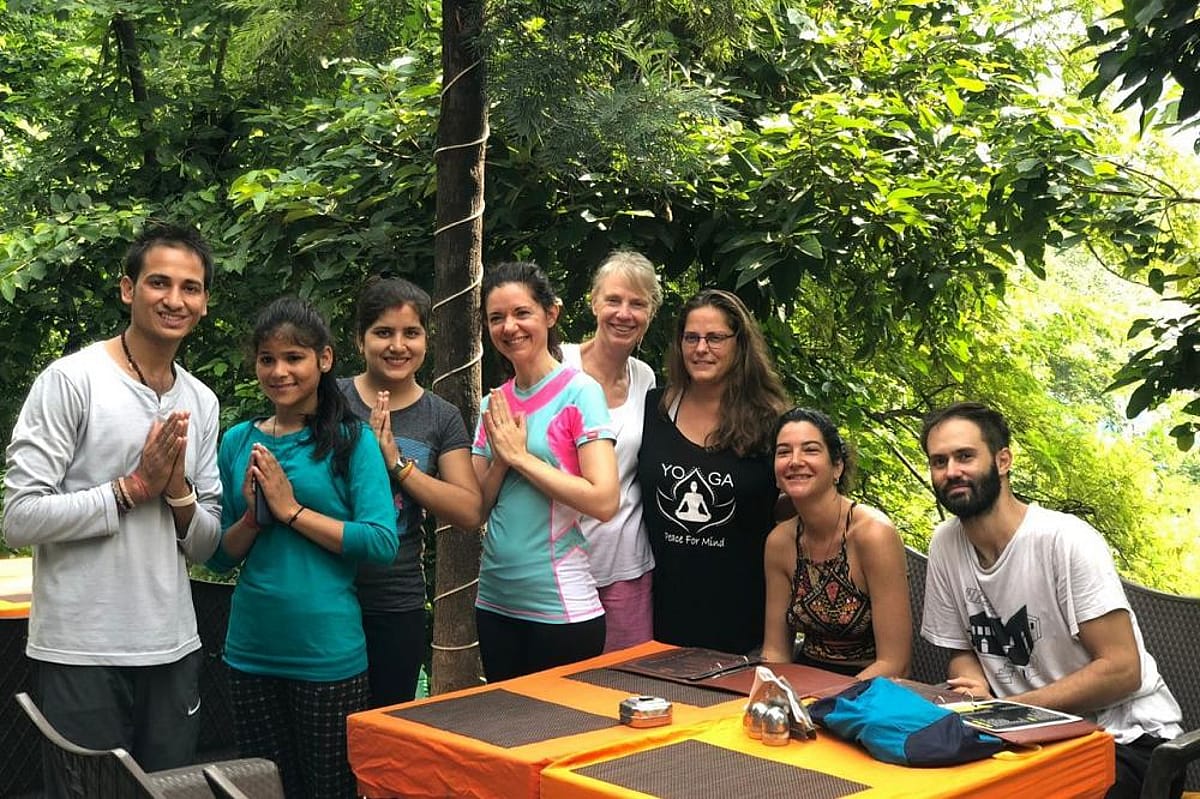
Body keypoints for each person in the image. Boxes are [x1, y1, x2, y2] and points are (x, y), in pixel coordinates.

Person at [2, 223, 221, 792]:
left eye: (190, 288)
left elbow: (204, 543)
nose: (175, 300)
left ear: (203, 303)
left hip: (174, 645)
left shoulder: (201, 399)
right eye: (159, 283)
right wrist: (130, 490)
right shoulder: (72, 381)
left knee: (168, 789)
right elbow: (19, 516)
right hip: (81, 647)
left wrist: (177, 493)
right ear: (128, 290)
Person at [919, 401, 1184, 799]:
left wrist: (1015, 710)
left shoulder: (1065, 540)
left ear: (1003, 460)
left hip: (1126, 740)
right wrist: (974, 685)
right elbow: (959, 647)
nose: (951, 471)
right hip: (1023, 738)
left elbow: (1122, 669)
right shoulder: (946, 543)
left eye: (965, 456)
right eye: (939, 461)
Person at [208, 297, 397, 799]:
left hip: (326, 654)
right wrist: (253, 516)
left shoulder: (350, 440)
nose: (279, 371)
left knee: (330, 788)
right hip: (250, 649)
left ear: (325, 359)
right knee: (263, 789)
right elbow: (221, 557)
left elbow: (380, 541)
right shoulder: (237, 440)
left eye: (294, 358)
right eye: (267, 359)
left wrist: (291, 510)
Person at [472, 261, 619, 681]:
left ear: (550, 314)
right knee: (504, 741)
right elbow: (477, 507)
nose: (509, 327)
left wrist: (521, 458)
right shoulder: (492, 404)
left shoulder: (580, 392)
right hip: (494, 603)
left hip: (561, 610)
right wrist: (502, 459)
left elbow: (605, 500)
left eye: (522, 313)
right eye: (496, 318)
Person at [340, 276, 482, 706]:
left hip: (395, 598)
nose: (397, 345)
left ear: (426, 339)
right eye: (383, 332)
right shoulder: (330, 398)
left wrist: (396, 464)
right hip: (328, 591)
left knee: (385, 730)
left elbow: (469, 510)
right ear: (359, 338)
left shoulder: (441, 416)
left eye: (411, 333)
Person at [636, 288, 790, 655]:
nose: (701, 348)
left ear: (739, 344)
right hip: (657, 622)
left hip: (742, 627)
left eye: (715, 338)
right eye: (691, 337)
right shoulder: (655, 407)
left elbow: (794, 510)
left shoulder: (771, 421)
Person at [761, 407, 911, 678]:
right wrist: (774, 696)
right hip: (804, 685)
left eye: (810, 450)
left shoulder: (873, 534)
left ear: (837, 467)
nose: (795, 461)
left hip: (871, 691)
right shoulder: (779, 543)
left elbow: (895, 663)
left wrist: (827, 703)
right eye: (784, 452)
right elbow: (775, 652)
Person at [560, 251, 661, 651]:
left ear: (650, 312)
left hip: (626, 564)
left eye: (637, 303)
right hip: (559, 564)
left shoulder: (646, 378)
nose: (624, 313)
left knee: (624, 685)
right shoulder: (558, 364)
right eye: (614, 300)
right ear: (594, 303)